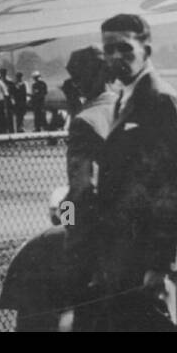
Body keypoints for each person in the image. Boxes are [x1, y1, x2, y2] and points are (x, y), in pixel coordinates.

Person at [92, 13, 177, 331]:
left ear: (146, 48)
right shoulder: (128, 95)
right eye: (109, 49)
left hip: (146, 254)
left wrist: (159, 266)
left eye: (125, 48)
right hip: (123, 249)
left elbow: (173, 186)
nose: (116, 57)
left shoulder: (159, 98)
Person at [61, 45, 116, 314]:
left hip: (95, 230)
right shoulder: (128, 106)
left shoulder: (84, 121)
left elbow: (80, 188)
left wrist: (66, 220)